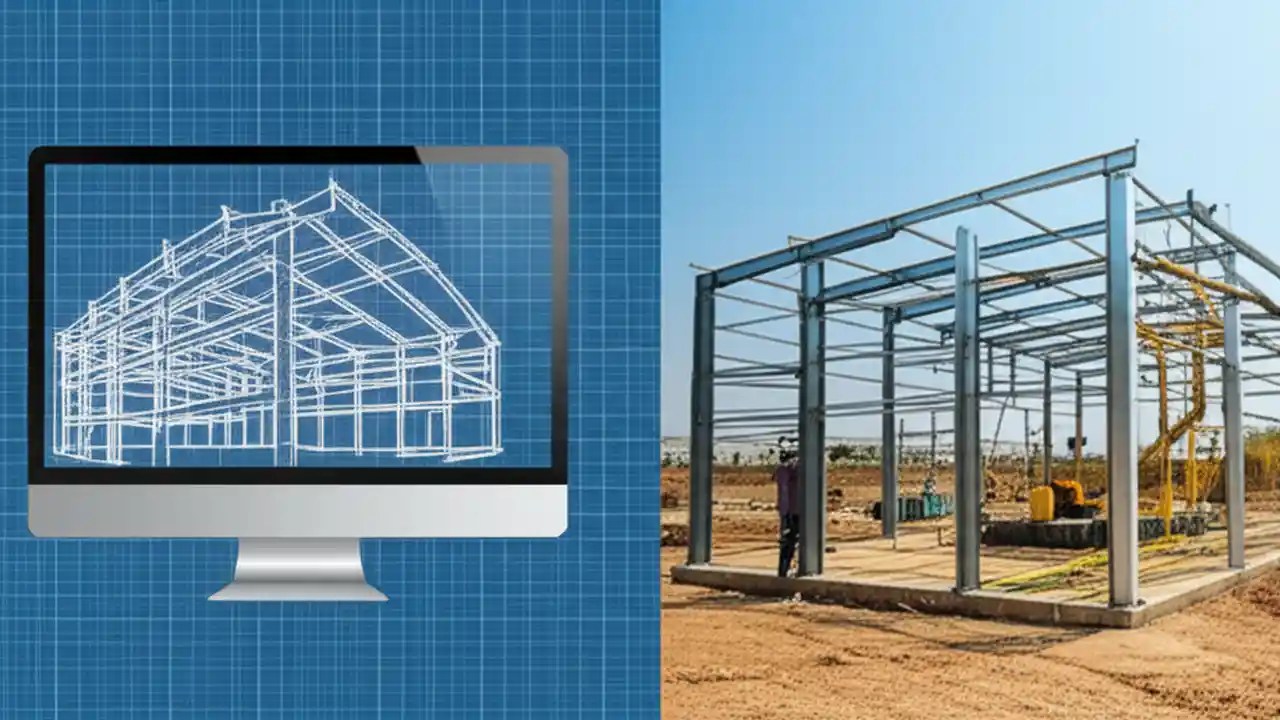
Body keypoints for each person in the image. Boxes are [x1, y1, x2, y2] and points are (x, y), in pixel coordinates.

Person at [774, 450, 800, 577]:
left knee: (788, 541)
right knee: (791, 541)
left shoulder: (781, 470)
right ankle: (786, 569)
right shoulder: (791, 469)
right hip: (794, 511)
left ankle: (784, 569)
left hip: (787, 511)